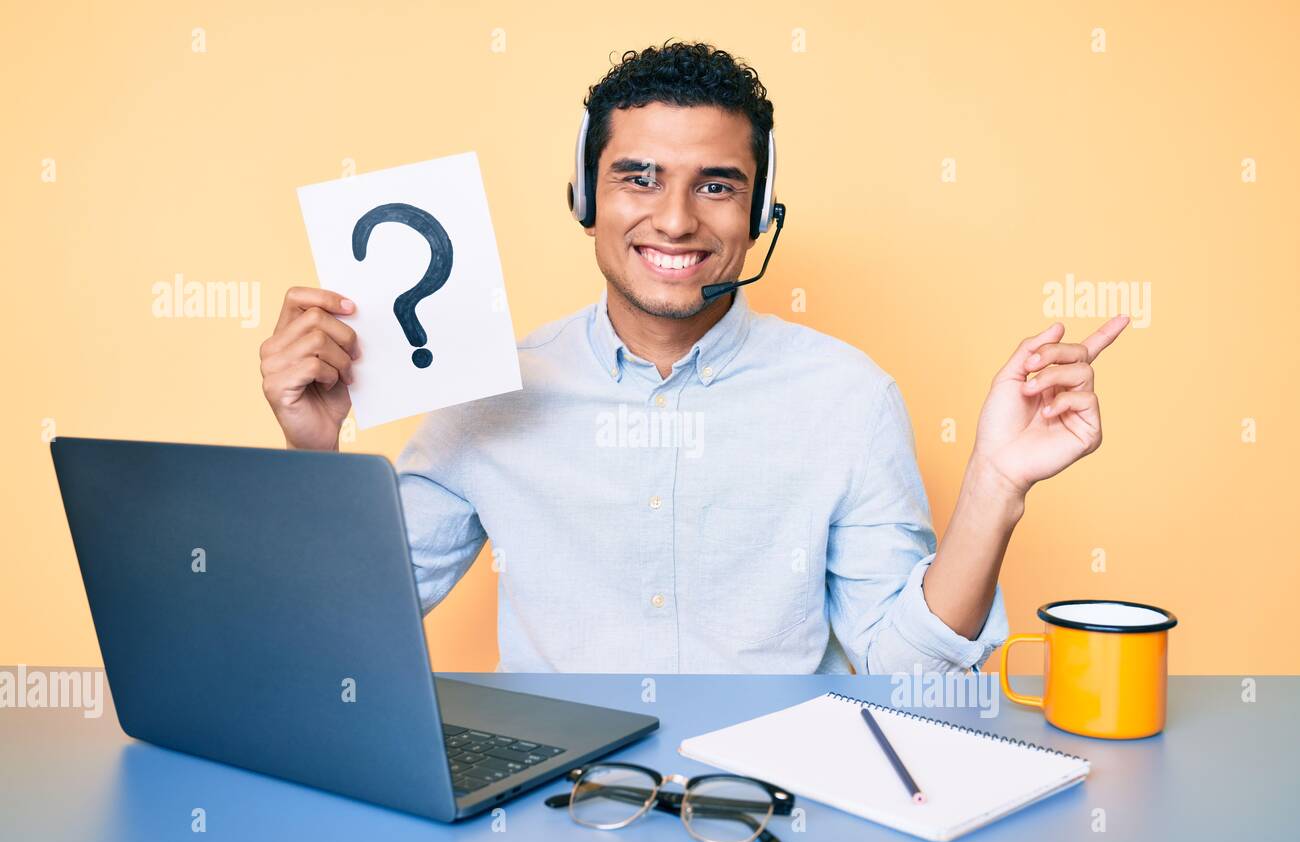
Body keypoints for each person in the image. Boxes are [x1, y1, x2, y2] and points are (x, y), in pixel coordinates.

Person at [258, 40, 1127, 674]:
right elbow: (346, 632)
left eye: (717, 185)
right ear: (583, 197)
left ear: (759, 215)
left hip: (776, 808)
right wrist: (313, 451)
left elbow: (910, 674)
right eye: (638, 177)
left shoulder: (849, 399)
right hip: (557, 810)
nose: (675, 221)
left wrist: (996, 486)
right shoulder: (489, 392)